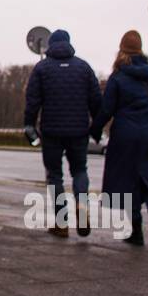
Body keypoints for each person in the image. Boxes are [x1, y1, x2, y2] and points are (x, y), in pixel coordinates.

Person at [90, 30, 148, 246]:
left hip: (126, 133)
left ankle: (136, 229)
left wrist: (95, 130)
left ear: (122, 48)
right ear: (141, 48)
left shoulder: (118, 76)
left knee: (128, 179)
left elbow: (107, 109)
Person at [23, 29, 102, 237]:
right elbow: (96, 102)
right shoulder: (83, 68)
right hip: (78, 131)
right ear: (68, 44)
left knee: (55, 176)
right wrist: (96, 128)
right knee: (79, 171)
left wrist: (29, 126)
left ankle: (61, 223)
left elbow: (32, 101)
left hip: (51, 131)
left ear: (50, 45)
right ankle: (82, 207)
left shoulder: (42, 68)